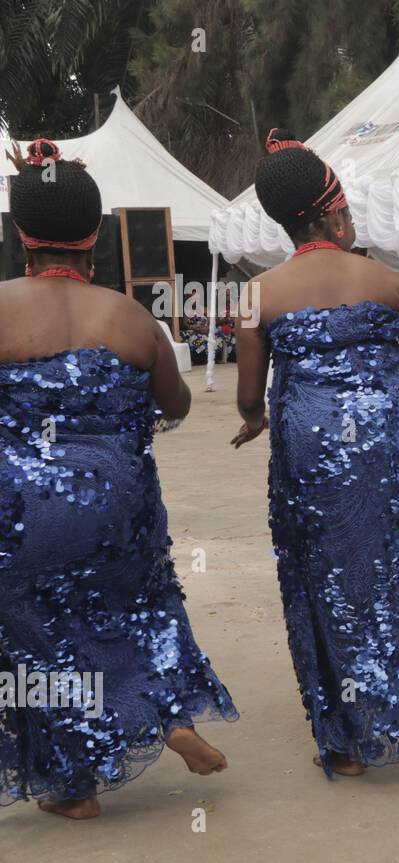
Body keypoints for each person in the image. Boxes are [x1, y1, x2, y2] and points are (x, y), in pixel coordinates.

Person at [0, 140, 236, 819]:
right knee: (138, 606)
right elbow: (178, 407)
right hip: (116, 500)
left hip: (18, 505)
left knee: (36, 633)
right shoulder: (130, 318)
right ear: (95, 236)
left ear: (21, 234)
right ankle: (166, 710)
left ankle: (72, 791)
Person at [232, 129, 399, 775]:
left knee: (328, 579)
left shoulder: (259, 293)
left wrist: (256, 420)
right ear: (334, 213)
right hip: (394, 434)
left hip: (312, 441)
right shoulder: (384, 279)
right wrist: (392, 387)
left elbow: (251, 394)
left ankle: (349, 742)